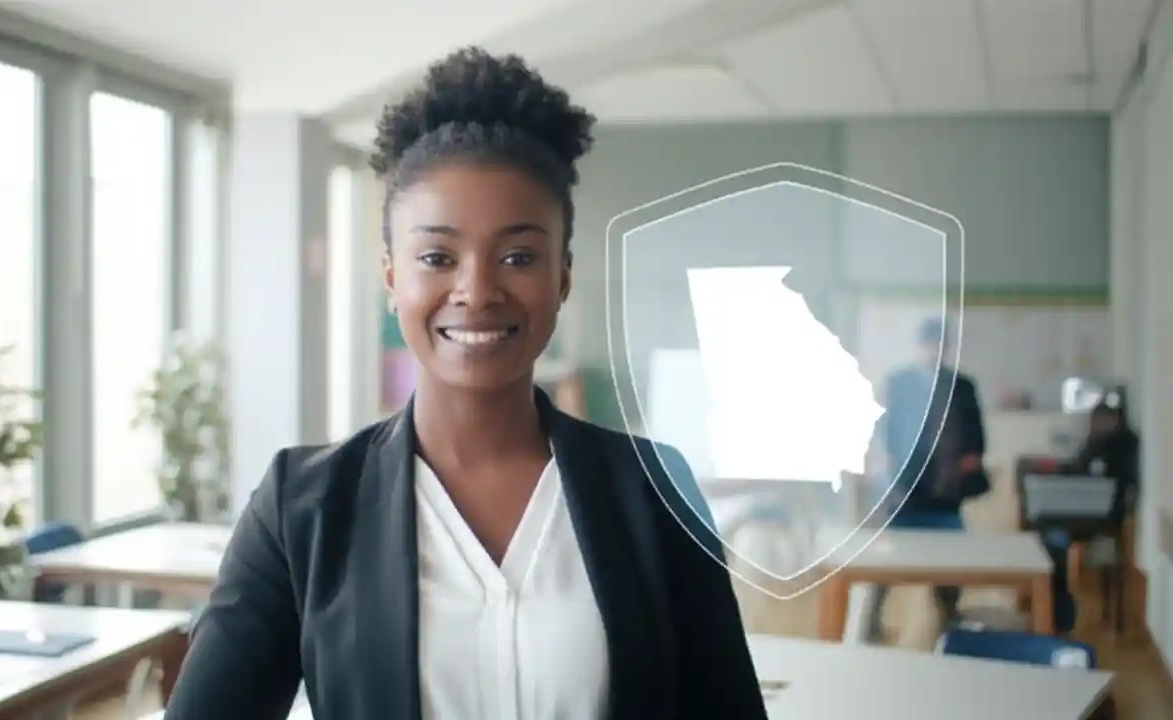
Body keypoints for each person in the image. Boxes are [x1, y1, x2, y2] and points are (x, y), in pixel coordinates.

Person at [164, 47, 770, 719]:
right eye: (436, 257)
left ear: (562, 276)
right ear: (392, 277)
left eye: (517, 256)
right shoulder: (301, 508)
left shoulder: (654, 493)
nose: (477, 290)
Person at [868, 317, 989, 639]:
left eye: (940, 344)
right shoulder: (897, 382)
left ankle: (950, 624)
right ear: (918, 345)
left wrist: (964, 464)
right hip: (904, 490)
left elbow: (977, 439)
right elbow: (884, 431)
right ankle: (870, 625)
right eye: (928, 343)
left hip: (945, 492)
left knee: (951, 564)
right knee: (882, 565)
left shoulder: (962, 386)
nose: (934, 351)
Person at [1041, 398, 1140, 633]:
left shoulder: (1123, 446)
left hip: (1102, 519)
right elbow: (1079, 468)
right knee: (1050, 543)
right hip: (1081, 511)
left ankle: (1061, 615)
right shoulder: (1094, 442)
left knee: (1053, 543)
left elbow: (1119, 486)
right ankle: (1058, 611)